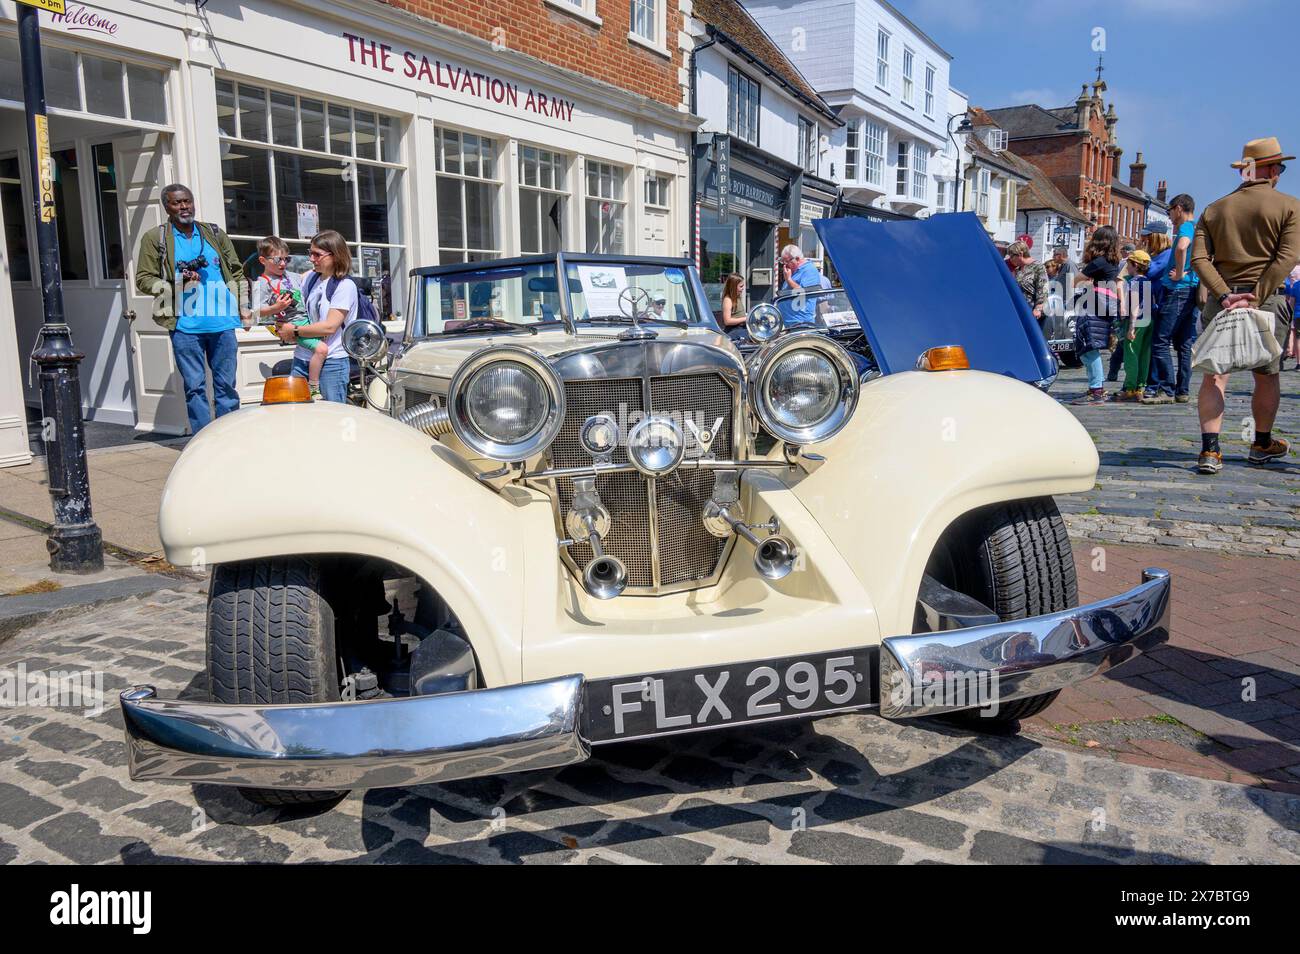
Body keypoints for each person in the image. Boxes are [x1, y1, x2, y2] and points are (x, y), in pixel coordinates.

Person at [1191, 137, 1300, 474]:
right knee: (1266, 376)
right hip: (1266, 301)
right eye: (1279, 166)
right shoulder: (1290, 206)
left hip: (1222, 303)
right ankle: (1261, 443)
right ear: (1267, 169)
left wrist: (1225, 295)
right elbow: (1288, 257)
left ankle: (1210, 451)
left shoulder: (1214, 209)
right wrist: (1257, 293)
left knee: (1214, 376)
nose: (1280, 172)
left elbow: (1198, 259)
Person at [133, 183, 246, 434]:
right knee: (195, 387)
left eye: (187, 201)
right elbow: (143, 279)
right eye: (176, 202)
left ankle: (229, 437)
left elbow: (236, 271)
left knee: (226, 386)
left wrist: (245, 307)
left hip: (223, 322)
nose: (184, 206)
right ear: (167, 207)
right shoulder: (157, 238)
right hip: (185, 325)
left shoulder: (214, 233)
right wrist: (177, 283)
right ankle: (202, 441)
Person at [275, 230, 359, 403]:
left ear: (335, 255)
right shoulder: (311, 278)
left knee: (330, 419)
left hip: (332, 363)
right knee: (298, 414)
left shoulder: (345, 286)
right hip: (302, 358)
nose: (311, 259)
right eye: (310, 253)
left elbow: (329, 326)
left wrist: (294, 330)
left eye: (317, 254)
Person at [250, 236, 328, 399]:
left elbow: (308, 275)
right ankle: (314, 386)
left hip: (308, 320)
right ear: (263, 260)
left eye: (287, 259)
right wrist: (275, 308)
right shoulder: (262, 283)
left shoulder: (291, 276)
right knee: (321, 349)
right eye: (278, 259)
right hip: (292, 325)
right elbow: (256, 311)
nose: (283, 264)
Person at [1142, 194, 1199, 404]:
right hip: (1190, 289)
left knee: (1160, 341)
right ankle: (1182, 390)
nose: (1170, 217)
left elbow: (1182, 247)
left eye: (1169, 212)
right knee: (1184, 343)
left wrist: (1180, 272)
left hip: (1177, 289)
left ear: (1178, 208)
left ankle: (1167, 388)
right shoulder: (1198, 229)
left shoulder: (1185, 227)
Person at [1070, 226, 1124, 405]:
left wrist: (1082, 282)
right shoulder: (1113, 262)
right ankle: (1096, 387)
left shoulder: (1099, 262)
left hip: (1094, 306)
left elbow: (1075, 280)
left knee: (1088, 348)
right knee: (1090, 347)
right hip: (1105, 306)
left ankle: (1097, 391)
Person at [1116, 249, 1155, 400]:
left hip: (1137, 320)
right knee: (1145, 354)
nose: (1127, 267)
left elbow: (1135, 305)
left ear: (1135, 265)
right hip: (1149, 319)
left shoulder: (1133, 282)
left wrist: (1131, 326)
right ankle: (1141, 386)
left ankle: (1130, 388)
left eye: (1129, 264)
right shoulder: (1148, 281)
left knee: (1131, 354)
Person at [777, 244, 830, 324]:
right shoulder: (793, 272)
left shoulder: (809, 270)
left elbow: (803, 293)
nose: (784, 265)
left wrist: (788, 280)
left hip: (800, 322)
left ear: (797, 259)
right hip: (789, 321)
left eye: (787, 261)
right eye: (783, 261)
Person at [1005, 240, 1048, 326]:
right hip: (1019, 312)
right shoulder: (1018, 269)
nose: (1010, 259)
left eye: (1012, 256)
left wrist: (1038, 308)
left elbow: (1043, 289)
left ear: (1020, 254)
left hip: (1032, 313)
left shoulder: (1038, 267)